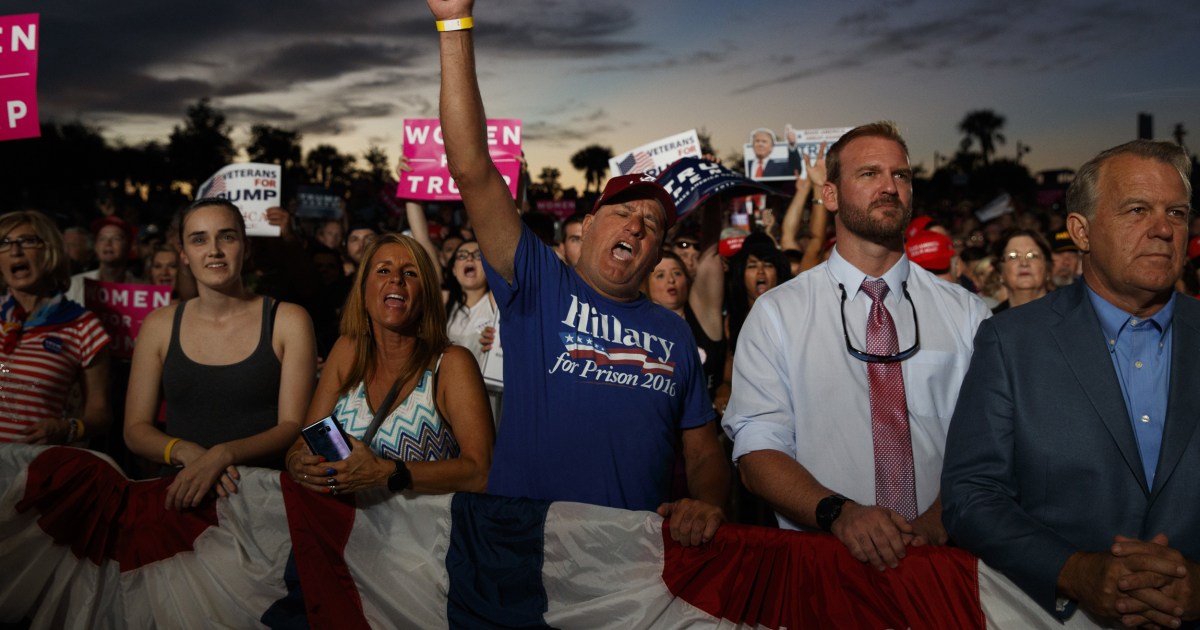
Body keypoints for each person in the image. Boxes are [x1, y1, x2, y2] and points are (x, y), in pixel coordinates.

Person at [428, 0, 729, 547]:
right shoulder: (538, 283)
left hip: (630, 564)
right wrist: (453, 23)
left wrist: (707, 502)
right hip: (526, 553)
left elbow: (703, 450)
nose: (636, 225)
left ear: (657, 253)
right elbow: (471, 168)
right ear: (587, 227)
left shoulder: (674, 333)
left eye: (652, 224)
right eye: (623, 212)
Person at [942, 140, 1200, 628]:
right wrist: (1073, 571)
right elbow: (971, 495)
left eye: (1177, 212)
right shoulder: (1011, 342)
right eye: (1137, 210)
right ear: (1081, 231)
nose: (1164, 229)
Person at [722, 122, 989, 570]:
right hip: (824, 567)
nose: (889, 186)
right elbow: (757, 449)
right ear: (829, 195)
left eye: (900, 175)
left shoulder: (966, 313)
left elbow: (990, 443)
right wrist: (839, 514)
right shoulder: (777, 314)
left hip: (943, 564)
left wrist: (938, 520)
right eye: (869, 174)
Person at [124, 198, 317, 510]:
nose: (214, 250)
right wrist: (186, 452)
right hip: (181, 497)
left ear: (245, 246)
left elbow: (293, 425)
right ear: (183, 253)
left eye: (226, 236)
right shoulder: (158, 325)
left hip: (263, 501)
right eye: (199, 239)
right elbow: (135, 430)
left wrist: (224, 454)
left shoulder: (288, 320)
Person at [286, 233, 493, 496]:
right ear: (363, 289)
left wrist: (386, 472)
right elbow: (303, 443)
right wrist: (297, 463)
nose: (396, 279)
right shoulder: (347, 351)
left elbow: (482, 473)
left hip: (426, 524)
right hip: (345, 521)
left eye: (410, 273)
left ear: (426, 294)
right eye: (384, 270)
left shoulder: (452, 364)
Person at [0, 210, 111, 444]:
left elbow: (100, 415)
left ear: (49, 251)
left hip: (29, 462)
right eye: (4, 243)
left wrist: (67, 428)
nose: (14, 251)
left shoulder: (83, 325)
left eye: (27, 241)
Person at [444, 238, 503, 421]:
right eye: (462, 256)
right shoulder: (444, 302)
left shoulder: (495, 302)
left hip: (486, 399)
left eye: (478, 256)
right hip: (447, 398)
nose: (469, 258)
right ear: (454, 269)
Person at [66, 216, 138, 305]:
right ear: (95, 247)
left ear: (128, 247)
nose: (108, 243)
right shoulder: (75, 285)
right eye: (102, 239)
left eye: (116, 238)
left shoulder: (141, 289)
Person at [990, 228, 1052, 314]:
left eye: (1033, 256)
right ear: (1000, 272)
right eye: (1013, 256)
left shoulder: (1068, 311)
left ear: (1047, 268)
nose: (1024, 263)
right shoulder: (991, 319)